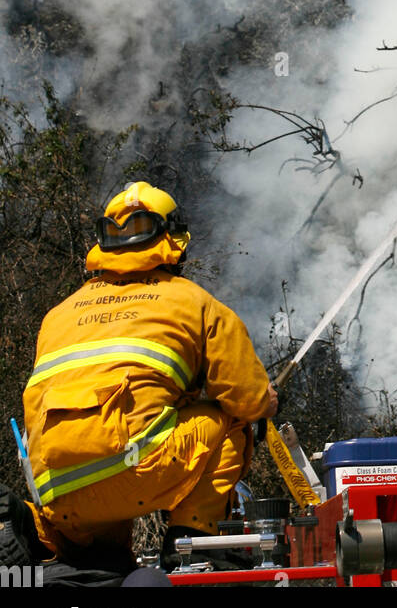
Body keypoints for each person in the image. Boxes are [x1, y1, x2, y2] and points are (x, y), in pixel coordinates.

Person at [18, 180, 277, 571]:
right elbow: (247, 399)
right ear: (176, 243)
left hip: (56, 491)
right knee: (231, 419)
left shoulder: (58, 314)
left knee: (104, 479)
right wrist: (267, 401)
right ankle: (193, 538)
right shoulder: (194, 301)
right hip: (137, 471)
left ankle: (45, 532)